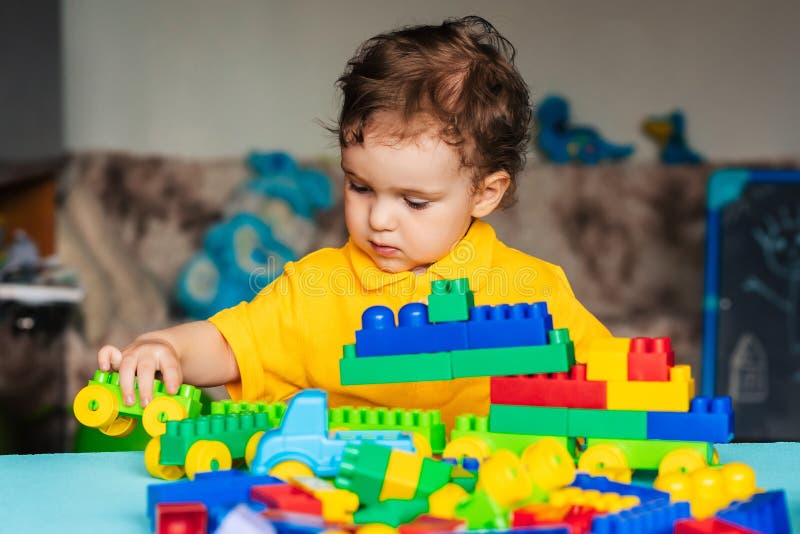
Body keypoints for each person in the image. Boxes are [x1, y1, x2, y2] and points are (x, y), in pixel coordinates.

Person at [97, 15, 610, 426]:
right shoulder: (315, 289)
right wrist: (166, 349)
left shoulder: (532, 292)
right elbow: (231, 343)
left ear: (484, 193)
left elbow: (616, 383)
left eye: (414, 201)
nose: (379, 219)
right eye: (360, 187)